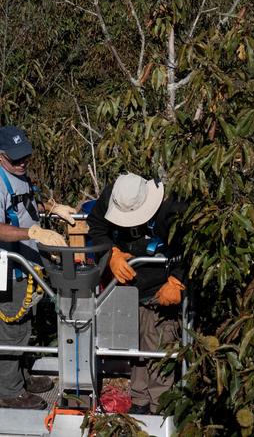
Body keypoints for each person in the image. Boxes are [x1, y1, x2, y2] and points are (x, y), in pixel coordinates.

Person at [0, 125, 71, 410]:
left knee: (24, 326)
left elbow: (24, 207)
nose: (22, 163)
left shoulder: (17, 174)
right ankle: (10, 391)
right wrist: (32, 234)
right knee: (11, 329)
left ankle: (22, 377)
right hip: (7, 269)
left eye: (25, 157)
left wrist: (51, 209)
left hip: (26, 265)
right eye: (15, 159)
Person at [86, 172, 186, 414]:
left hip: (160, 287)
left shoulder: (171, 208)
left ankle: (161, 406)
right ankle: (140, 400)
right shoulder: (114, 196)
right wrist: (111, 255)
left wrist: (177, 280)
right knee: (136, 344)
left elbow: (191, 245)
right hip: (128, 288)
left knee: (159, 346)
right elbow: (96, 227)